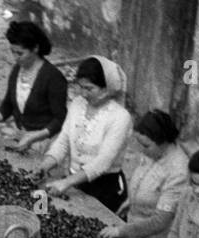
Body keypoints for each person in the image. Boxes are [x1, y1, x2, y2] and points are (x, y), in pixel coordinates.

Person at [36, 57, 131, 214]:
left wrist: (66, 182)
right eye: (80, 87)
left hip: (104, 190)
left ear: (107, 88)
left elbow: (103, 162)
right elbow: (63, 142)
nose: (83, 93)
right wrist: (45, 165)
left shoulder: (120, 117)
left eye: (89, 88)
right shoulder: (77, 105)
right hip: (74, 183)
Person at [0, 20, 67, 153]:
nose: (15, 58)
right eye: (12, 52)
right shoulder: (17, 71)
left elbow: (60, 119)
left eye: (20, 53)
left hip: (45, 142)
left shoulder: (53, 77)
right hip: (22, 136)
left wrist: (35, 136)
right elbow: (8, 106)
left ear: (35, 49)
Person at [100, 110, 186, 238]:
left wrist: (121, 231)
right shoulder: (152, 152)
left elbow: (160, 221)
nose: (141, 150)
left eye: (146, 146)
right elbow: (145, 182)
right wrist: (132, 201)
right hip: (134, 231)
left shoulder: (178, 171)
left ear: (163, 141)